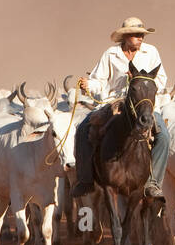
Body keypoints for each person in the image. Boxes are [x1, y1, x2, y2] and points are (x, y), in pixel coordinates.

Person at [70, 16, 169, 200]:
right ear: (126, 36)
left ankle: (153, 182)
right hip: (114, 102)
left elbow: (161, 79)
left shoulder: (151, 52)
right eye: (137, 35)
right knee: (83, 129)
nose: (141, 38)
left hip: (142, 104)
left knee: (163, 135)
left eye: (142, 35)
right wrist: (89, 84)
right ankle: (85, 180)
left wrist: (141, 83)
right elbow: (100, 80)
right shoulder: (110, 54)